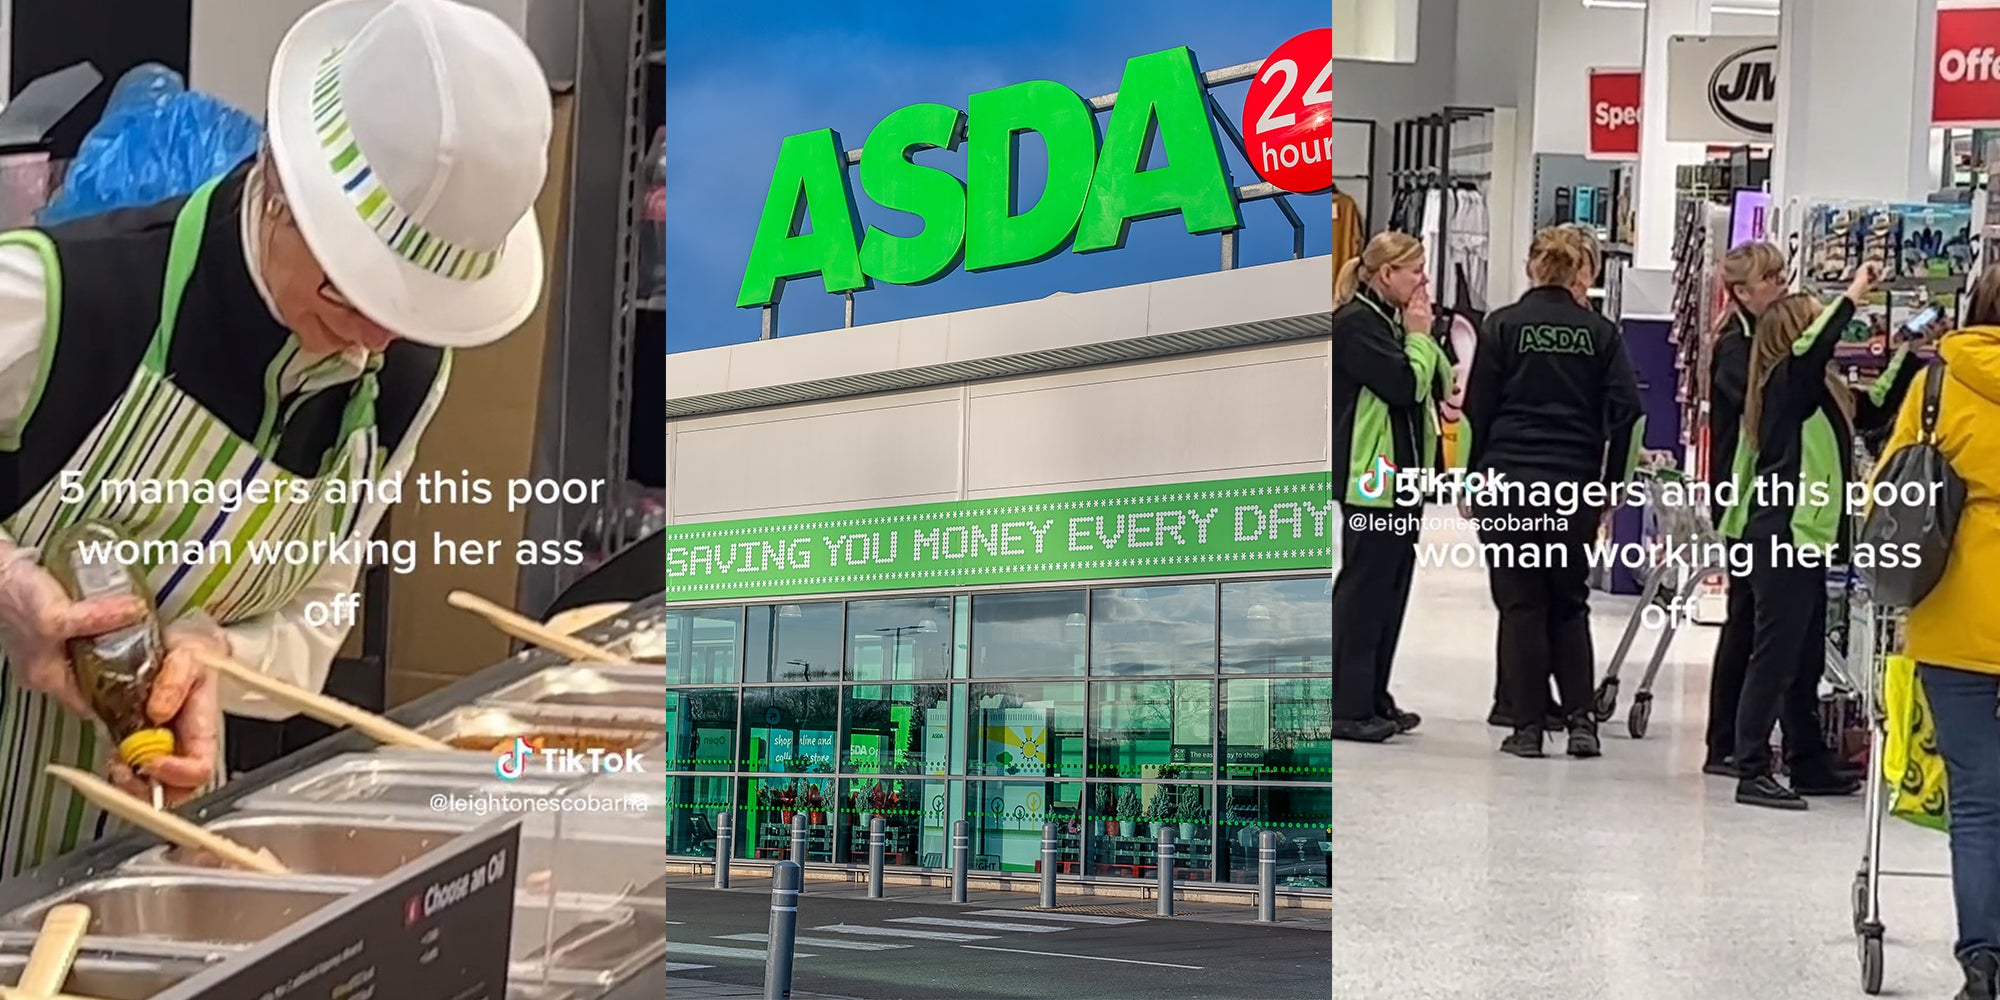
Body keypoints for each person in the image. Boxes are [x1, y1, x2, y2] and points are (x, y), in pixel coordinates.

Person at [0, 0, 552, 874]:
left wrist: (224, 656)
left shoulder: (403, 378)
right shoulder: (65, 296)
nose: (371, 342)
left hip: (148, 868)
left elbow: (322, 610)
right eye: (347, 293)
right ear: (277, 182)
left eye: (404, 314)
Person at [1722, 265, 1923, 809]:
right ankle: (1751, 766)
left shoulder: (1824, 395)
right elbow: (1812, 349)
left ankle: (1807, 759)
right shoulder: (1786, 390)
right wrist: (1854, 292)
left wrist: (1908, 352)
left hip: (1807, 540)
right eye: (1815, 325)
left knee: (1805, 656)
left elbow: (1874, 409)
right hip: (1782, 537)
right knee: (1776, 653)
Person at [1462, 226, 1643, 758]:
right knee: (1569, 603)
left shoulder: (1502, 326)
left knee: (1521, 605)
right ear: (1578, 273)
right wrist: (1613, 487)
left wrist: (1469, 479)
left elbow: (1476, 412)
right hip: (1574, 485)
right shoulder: (1601, 333)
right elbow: (1630, 416)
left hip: (1510, 482)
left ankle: (1528, 728)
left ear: (1530, 268)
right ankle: (1582, 722)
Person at [1883, 266, 2000, 1000]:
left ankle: (1983, 961)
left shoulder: (1935, 385)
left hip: (1954, 613)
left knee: (1979, 799)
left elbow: (1889, 489)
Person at [1704, 241, 1826, 778]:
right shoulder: (1736, 347)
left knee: (1766, 625)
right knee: (1747, 624)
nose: (1778, 286)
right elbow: (1764, 407)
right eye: (1767, 280)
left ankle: (1788, 743)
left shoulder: (1764, 337)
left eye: (1781, 276)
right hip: (1748, 501)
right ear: (1739, 292)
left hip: (1767, 497)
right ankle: (1727, 741)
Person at [1328, 232, 1452, 743]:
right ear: (1385, 275)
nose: (1423, 280)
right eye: (1414, 270)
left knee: (1392, 590)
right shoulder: (1356, 324)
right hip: (1372, 480)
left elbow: (1442, 382)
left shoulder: (1390, 321)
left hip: (1403, 479)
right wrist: (1419, 338)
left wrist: (1422, 333)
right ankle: (1345, 705)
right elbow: (1403, 383)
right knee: (1364, 590)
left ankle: (1375, 695)